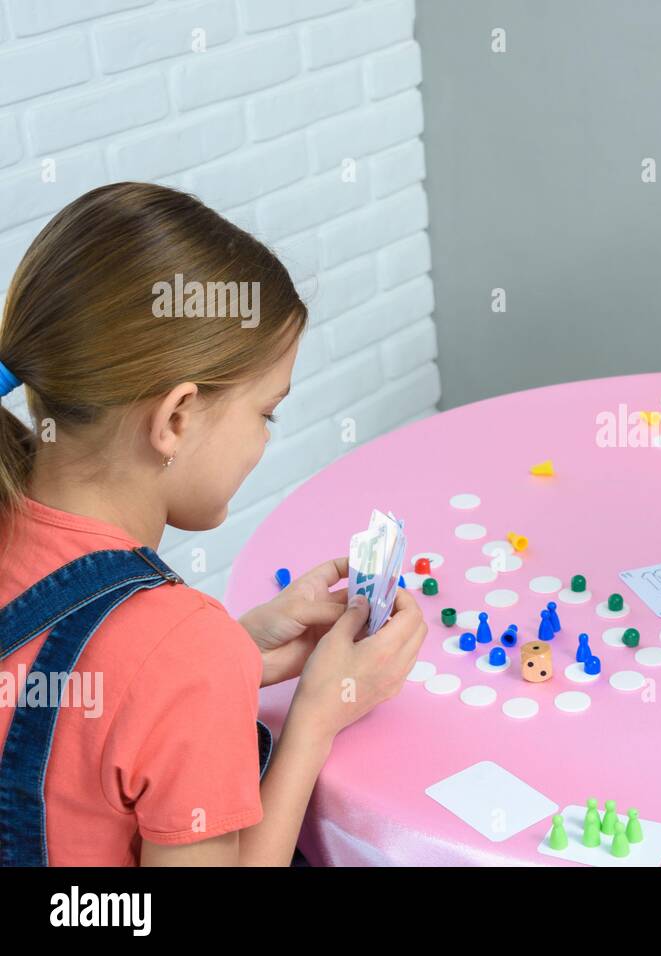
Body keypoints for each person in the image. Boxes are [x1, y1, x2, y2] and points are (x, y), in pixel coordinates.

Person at [0, 183, 427, 865]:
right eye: (266, 412)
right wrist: (318, 712)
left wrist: (237, 652)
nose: (264, 439)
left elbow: (87, 702)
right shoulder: (178, 651)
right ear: (175, 418)